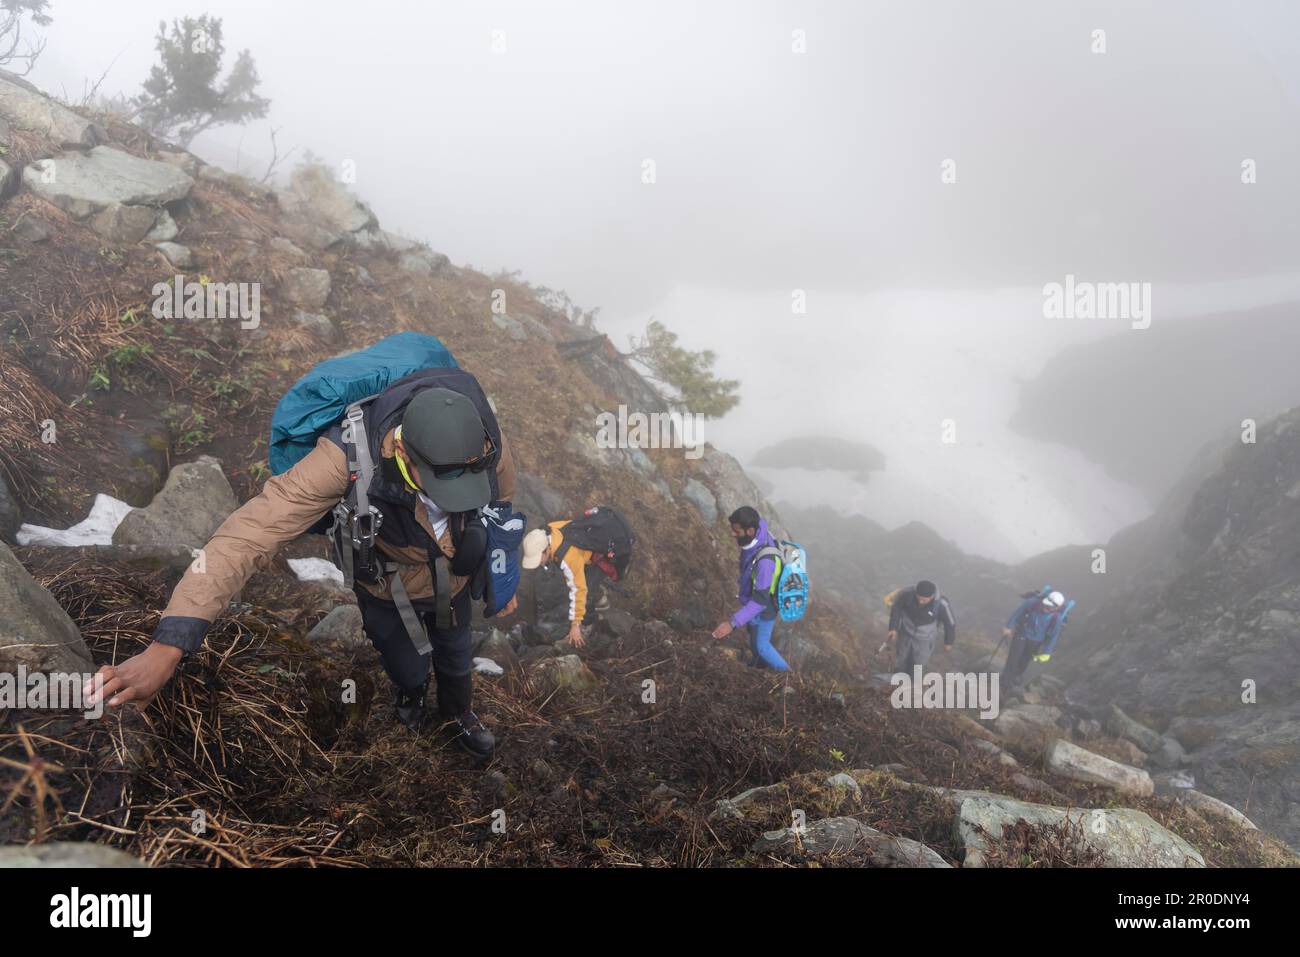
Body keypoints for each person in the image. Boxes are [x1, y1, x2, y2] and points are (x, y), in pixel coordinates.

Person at [84, 372, 517, 758]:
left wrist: (502, 579)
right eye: (441, 481)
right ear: (402, 450)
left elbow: (503, 514)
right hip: (386, 586)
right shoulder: (344, 459)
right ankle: (411, 698)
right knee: (405, 662)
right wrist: (169, 643)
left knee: (457, 656)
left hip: (455, 580)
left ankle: (459, 714)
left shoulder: (487, 446)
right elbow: (246, 536)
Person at [711, 506, 789, 671]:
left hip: (766, 607)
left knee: (761, 645)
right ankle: (758, 664)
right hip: (755, 600)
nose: (733, 534)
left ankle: (788, 677)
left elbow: (760, 601)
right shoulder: (758, 535)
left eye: (736, 531)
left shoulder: (766, 563)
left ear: (751, 530)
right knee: (753, 633)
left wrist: (732, 624)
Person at [519, 520, 604, 648]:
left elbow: (579, 589)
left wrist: (575, 625)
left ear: (546, 550)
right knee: (576, 580)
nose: (538, 563)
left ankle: (587, 625)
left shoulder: (567, 558)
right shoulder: (547, 531)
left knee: (586, 591)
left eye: (538, 559)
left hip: (604, 554)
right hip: (583, 554)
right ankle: (597, 594)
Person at [999, 589, 1067, 692]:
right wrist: (1008, 627)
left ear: (1056, 608)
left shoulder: (1056, 618)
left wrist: (1047, 652)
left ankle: (1015, 678)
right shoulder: (1032, 603)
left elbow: (1053, 636)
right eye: (1045, 605)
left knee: (1024, 662)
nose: (1046, 608)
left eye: (1049, 608)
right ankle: (1004, 685)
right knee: (1013, 659)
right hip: (1021, 634)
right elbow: (1017, 613)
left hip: (1035, 642)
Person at [886, 580, 956, 674]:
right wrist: (892, 628)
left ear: (931, 597)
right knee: (901, 657)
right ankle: (898, 678)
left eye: (924, 600)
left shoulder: (941, 604)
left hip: (925, 638)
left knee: (919, 662)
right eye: (918, 598)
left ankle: (913, 682)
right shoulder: (906, 594)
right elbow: (896, 609)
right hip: (906, 632)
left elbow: (950, 623)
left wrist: (948, 642)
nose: (920, 601)